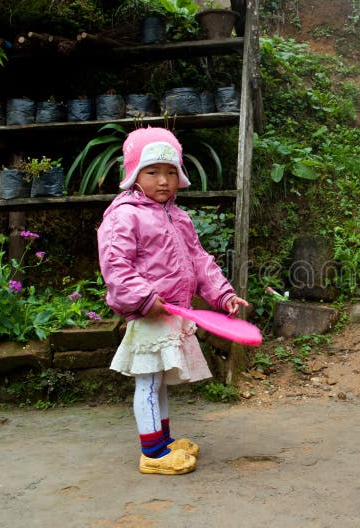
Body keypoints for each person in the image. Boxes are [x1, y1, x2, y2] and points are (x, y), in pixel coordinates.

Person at [97, 127, 248, 475]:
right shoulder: (124, 215)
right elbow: (116, 266)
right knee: (148, 382)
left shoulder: (179, 217)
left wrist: (221, 293)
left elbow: (199, 261)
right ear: (134, 176)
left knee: (159, 381)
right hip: (150, 314)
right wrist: (146, 299)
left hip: (171, 314)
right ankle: (152, 453)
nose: (163, 180)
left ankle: (162, 442)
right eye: (152, 172)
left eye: (170, 172)